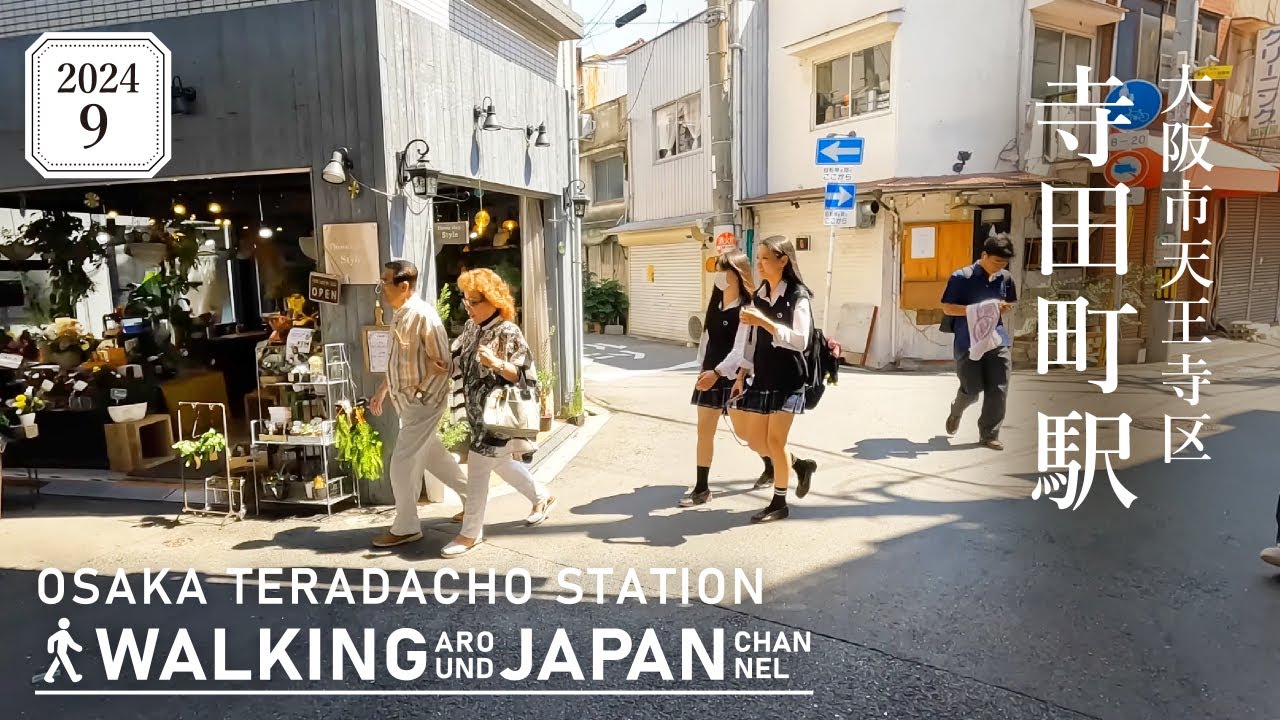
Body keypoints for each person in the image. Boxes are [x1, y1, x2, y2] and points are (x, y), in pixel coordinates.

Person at [441, 268, 556, 558]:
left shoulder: (508, 331)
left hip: (498, 415)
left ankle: (470, 533)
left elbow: (525, 374)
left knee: (479, 468)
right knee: (503, 463)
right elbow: (457, 361)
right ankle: (542, 496)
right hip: (477, 414)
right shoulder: (471, 328)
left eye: (475, 301)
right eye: (466, 301)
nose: (469, 307)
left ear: (494, 300)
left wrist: (495, 363)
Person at [368, 260, 468, 548]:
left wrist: (421, 392)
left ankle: (406, 526)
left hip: (423, 401)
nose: (381, 289)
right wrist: (384, 390)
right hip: (410, 400)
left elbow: (443, 363)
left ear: (403, 285)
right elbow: (402, 362)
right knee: (435, 456)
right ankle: (473, 500)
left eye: (384, 282)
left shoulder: (423, 315)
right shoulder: (402, 314)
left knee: (400, 463)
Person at [730, 236, 819, 523]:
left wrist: (765, 322)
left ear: (783, 261)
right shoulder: (760, 295)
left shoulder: (798, 296)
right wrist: (742, 373)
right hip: (762, 376)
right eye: (757, 259)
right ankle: (799, 465)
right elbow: (752, 342)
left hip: (789, 378)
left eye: (765, 259)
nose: (759, 265)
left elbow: (801, 340)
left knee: (775, 441)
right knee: (757, 441)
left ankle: (779, 503)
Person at [683, 251, 764, 507]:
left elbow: (741, 351)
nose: (719, 276)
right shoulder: (715, 305)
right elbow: (706, 340)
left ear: (737, 274)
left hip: (732, 377)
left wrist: (717, 373)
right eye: (717, 270)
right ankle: (701, 488)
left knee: (748, 435)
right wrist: (703, 369)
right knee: (704, 432)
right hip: (710, 375)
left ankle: (781, 463)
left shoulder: (747, 309)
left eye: (724, 270)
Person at [940, 233, 1018, 451]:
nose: (999, 267)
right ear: (984, 255)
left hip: (997, 339)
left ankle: (989, 434)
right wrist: (979, 310)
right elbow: (947, 307)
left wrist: (1003, 307)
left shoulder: (1006, 278)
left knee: (999, 387)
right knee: (972, 390)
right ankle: (957, 410)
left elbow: (1011, 302)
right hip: (968, 341)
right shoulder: (961, 277)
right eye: (996, 262)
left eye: (1004, 263)